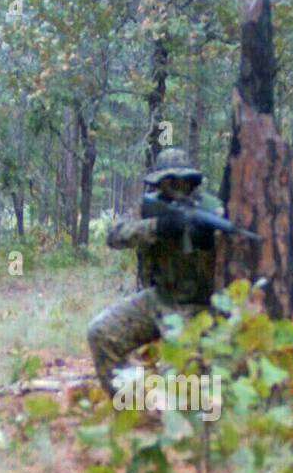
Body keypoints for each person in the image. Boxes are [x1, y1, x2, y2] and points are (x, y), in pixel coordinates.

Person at [87, 148, 225, 395]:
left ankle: (181, 418)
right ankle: (132, 402)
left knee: (176, 373)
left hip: (198, 308)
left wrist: (210, 241)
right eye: (169, 181)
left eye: (183, 181)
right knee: (100, 332)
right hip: (158, 298)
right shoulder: (150, 208)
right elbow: (115, 236)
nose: (177, 186)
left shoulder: (212, 210)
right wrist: (158, 226)